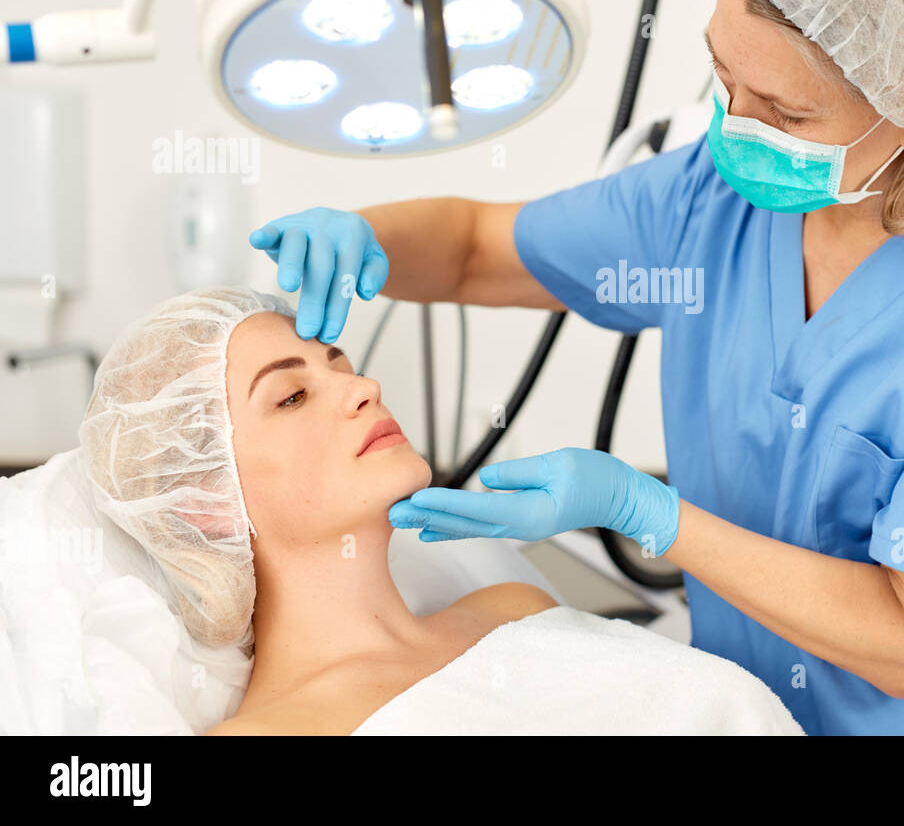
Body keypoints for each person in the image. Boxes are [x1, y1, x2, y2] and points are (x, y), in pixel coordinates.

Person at [250, 0, 904, 734]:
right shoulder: (710, 199)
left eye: (786, 114)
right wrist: (363, 233)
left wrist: (646, 512)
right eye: (723, 80)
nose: (736, 128)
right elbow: (479, 250)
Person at [75, 286, 801, 735]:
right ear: (204, 501)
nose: (363, 389)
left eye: (339, 364)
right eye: (291, 396)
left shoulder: (514, 610)